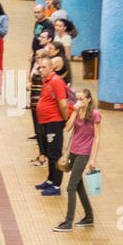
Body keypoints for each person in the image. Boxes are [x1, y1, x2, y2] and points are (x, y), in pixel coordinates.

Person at [54, 90, 100, 232]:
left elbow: (97, 137)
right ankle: (89, 216)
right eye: (77, 99)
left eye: (81, 99)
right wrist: (74, 111)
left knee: (71, 187)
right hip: (73, 151)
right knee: (78, 186)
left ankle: (68, 222)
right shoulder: (77, 112)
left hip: (83, 154)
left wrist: (93, 159)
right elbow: (67, 128)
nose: (79, 101)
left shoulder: (95, 114)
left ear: (89, 100)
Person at [35, 53, 71, 196]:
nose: (40, 69)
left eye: (43, 67)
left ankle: (56, 186)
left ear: (51, 68)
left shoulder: (56, 81)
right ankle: (50, 180)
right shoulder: (47, 81)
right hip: (46, 122)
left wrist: (64, 119)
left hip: (54, 123)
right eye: (40, 67)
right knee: (49, 153)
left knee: (55, 154)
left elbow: (62, 104)